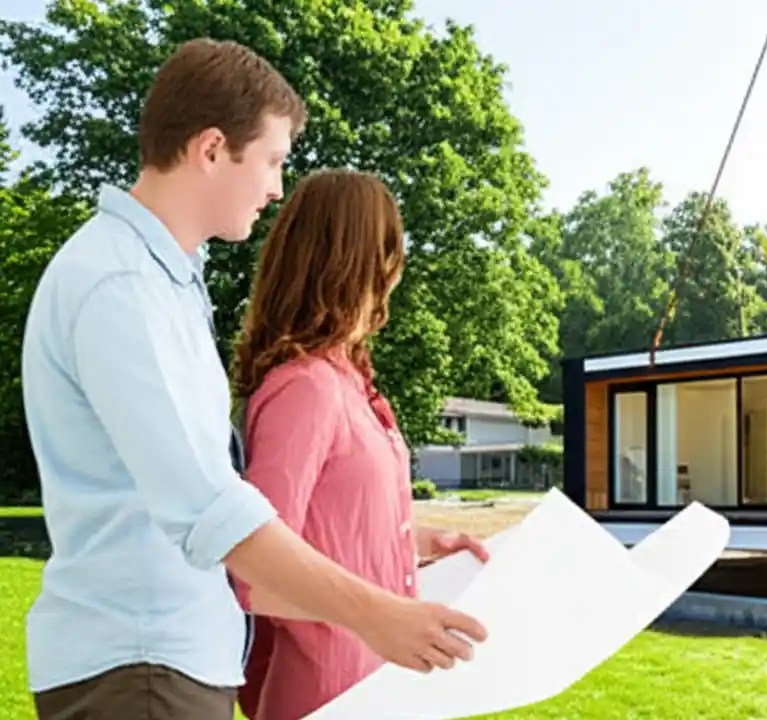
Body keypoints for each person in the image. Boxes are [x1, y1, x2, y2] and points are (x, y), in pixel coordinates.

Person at [20, 38, 484, 720]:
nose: (275, 187)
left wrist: (398, 547)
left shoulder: (161, 282)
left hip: (168, 662)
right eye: (271, 161)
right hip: (143, 664)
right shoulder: (121, 285)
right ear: (211, 149)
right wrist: (377, 614)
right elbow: (210, 509)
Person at [227, 168, 491, 719]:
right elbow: (254, 571)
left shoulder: (347, 380)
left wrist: (420, 541)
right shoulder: (303, 389)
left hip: (383, 688)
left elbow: (335, 529)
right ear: (365, 261)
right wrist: (377, 615)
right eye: (391, 248)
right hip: (326, 695)